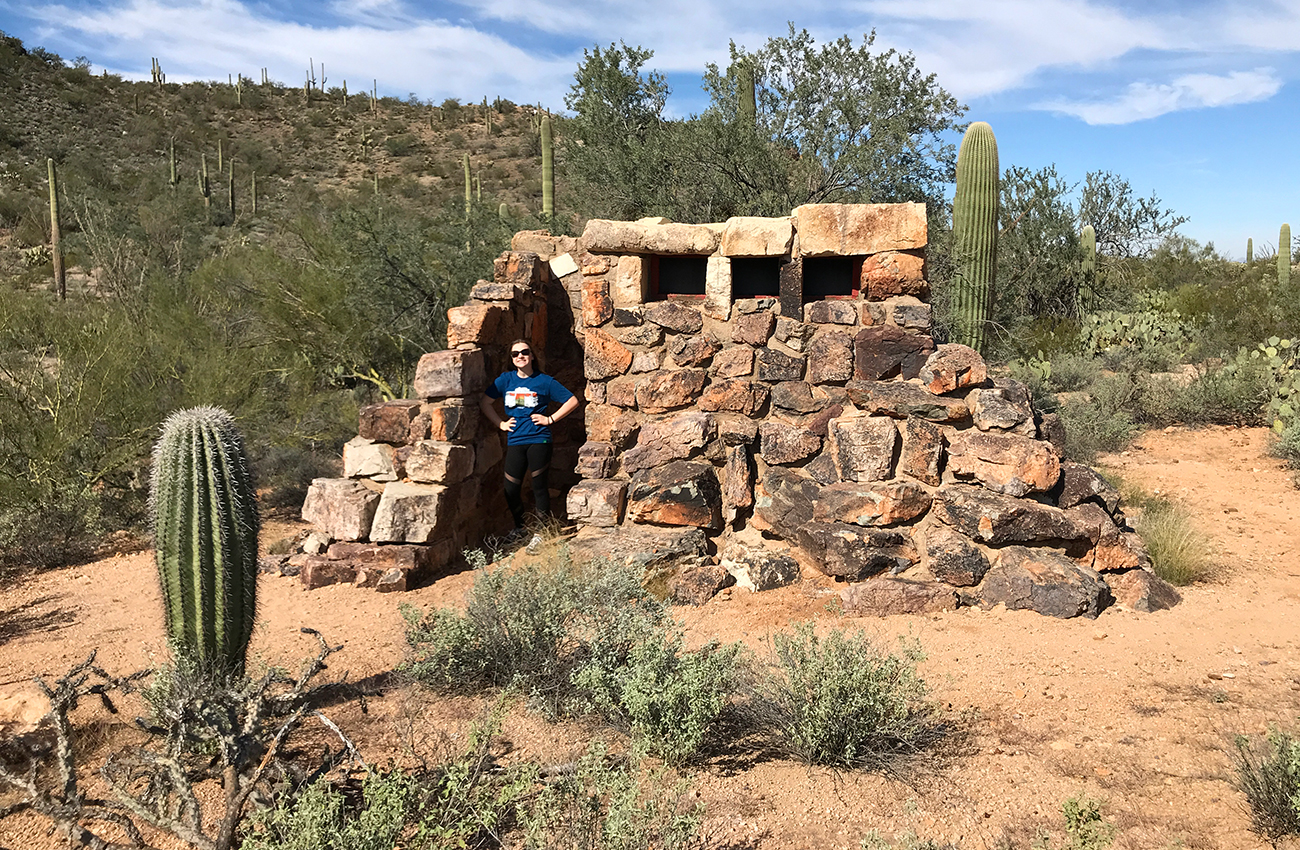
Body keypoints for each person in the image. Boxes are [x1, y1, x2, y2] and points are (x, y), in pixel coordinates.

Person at [479, 340, 578, 540]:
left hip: (539, 440)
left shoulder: (544, 381)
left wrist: (550, 419)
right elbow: (485, 402)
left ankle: (542, 533)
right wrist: (501, 424)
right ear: (511, 359)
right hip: (515, 439)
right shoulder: (505, 380)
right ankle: (520, 528)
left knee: (539, 486)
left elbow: (572, 401)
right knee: (510, 487)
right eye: (515, 354)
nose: (520, 356)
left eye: (525, 352)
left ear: (532, 356)